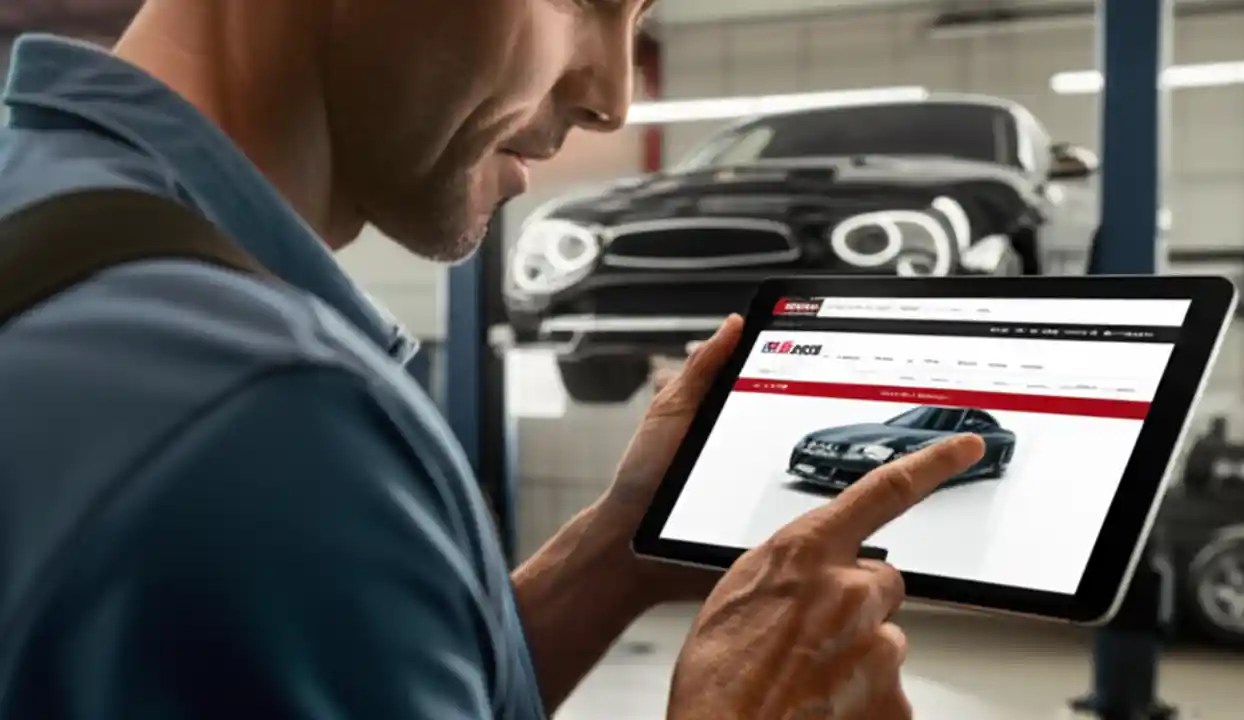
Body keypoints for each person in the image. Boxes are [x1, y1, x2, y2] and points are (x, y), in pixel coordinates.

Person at [0, 2, 985, 718]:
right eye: (580, 2)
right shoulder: (266, 413)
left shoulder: (52, 207)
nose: (609, 94)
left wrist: (618, 550)